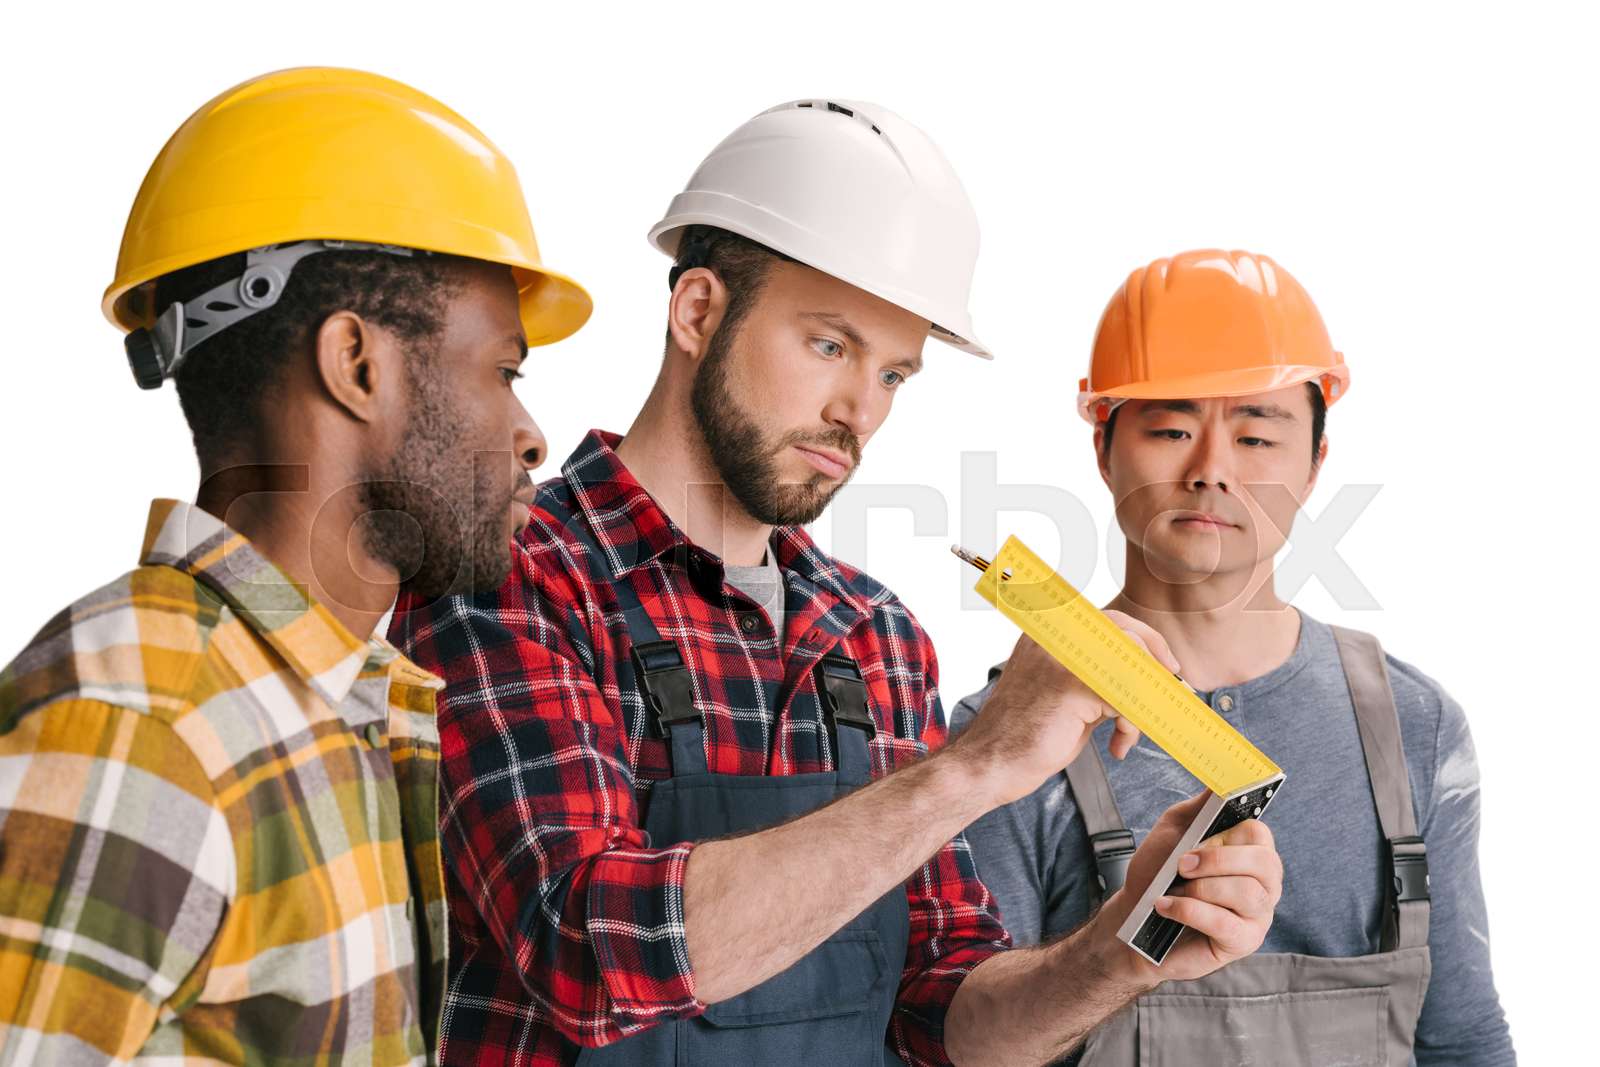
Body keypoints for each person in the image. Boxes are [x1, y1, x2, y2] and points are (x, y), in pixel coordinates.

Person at [391, 101, 1283, 1066]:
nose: (861, 410)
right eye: (830, 345)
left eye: (896, 374)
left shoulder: (876, 637)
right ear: (698, 311)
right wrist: (973, 767)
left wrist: (1122, 950)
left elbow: (939, 1010)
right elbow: (581, 951)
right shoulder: (512, 577)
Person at [0, 67, 590, 1063]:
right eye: (503, 371)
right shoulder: (143, 727)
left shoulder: (334, 698)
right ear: (357, 363)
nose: (531, 434)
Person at [950, 249, 1516, 1064]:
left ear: (1316, 462)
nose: (1211, 469)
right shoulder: (1007, 736)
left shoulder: (1412, 728)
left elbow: (1462, 1039)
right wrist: (1113, 954)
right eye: (1172, 428)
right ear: (1103, 449)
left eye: (1256, 435)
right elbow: (956, 1042)